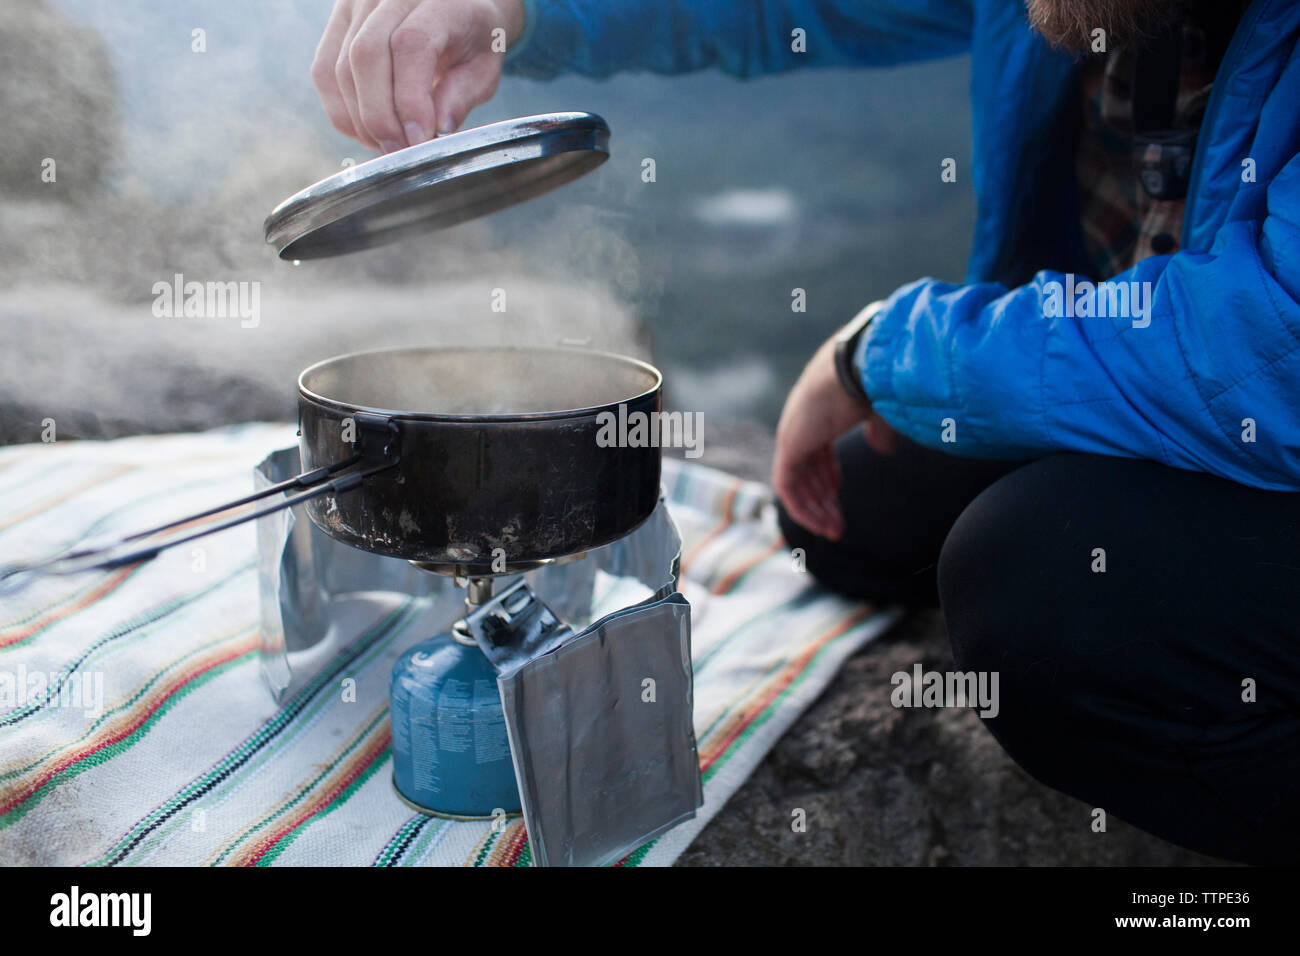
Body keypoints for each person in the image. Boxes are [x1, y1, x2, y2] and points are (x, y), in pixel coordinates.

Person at [312, 0, 1300, 864]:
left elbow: (1270, 348)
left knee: (1038, 591)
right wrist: (515, 6)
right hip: (1183, 385)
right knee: (839, 503)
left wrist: (885, 352)